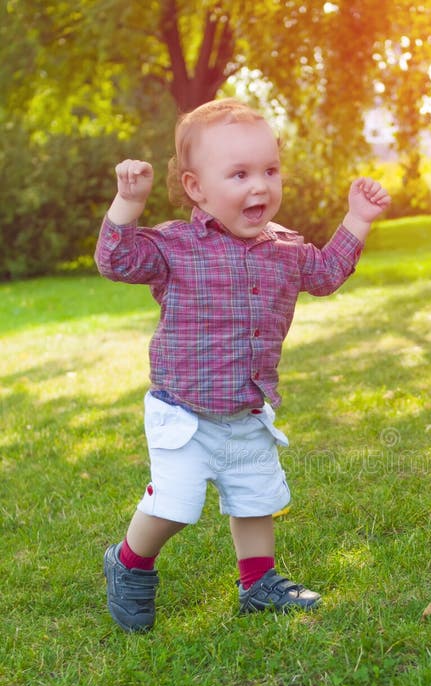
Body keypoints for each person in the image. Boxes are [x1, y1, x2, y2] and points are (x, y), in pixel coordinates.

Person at [94, 98, 390, 633]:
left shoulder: (287, 249)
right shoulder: (173, 246)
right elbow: (116, 260)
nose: (260, 186)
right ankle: (130, 562)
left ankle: (258, 582)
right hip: (183, 411)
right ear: (195, 188)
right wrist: (126, 205)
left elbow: (325, 275)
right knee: (176, 504)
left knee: (256, 494)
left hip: (246, 406)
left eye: (269, 171)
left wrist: (357, 220)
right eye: (239, 174)